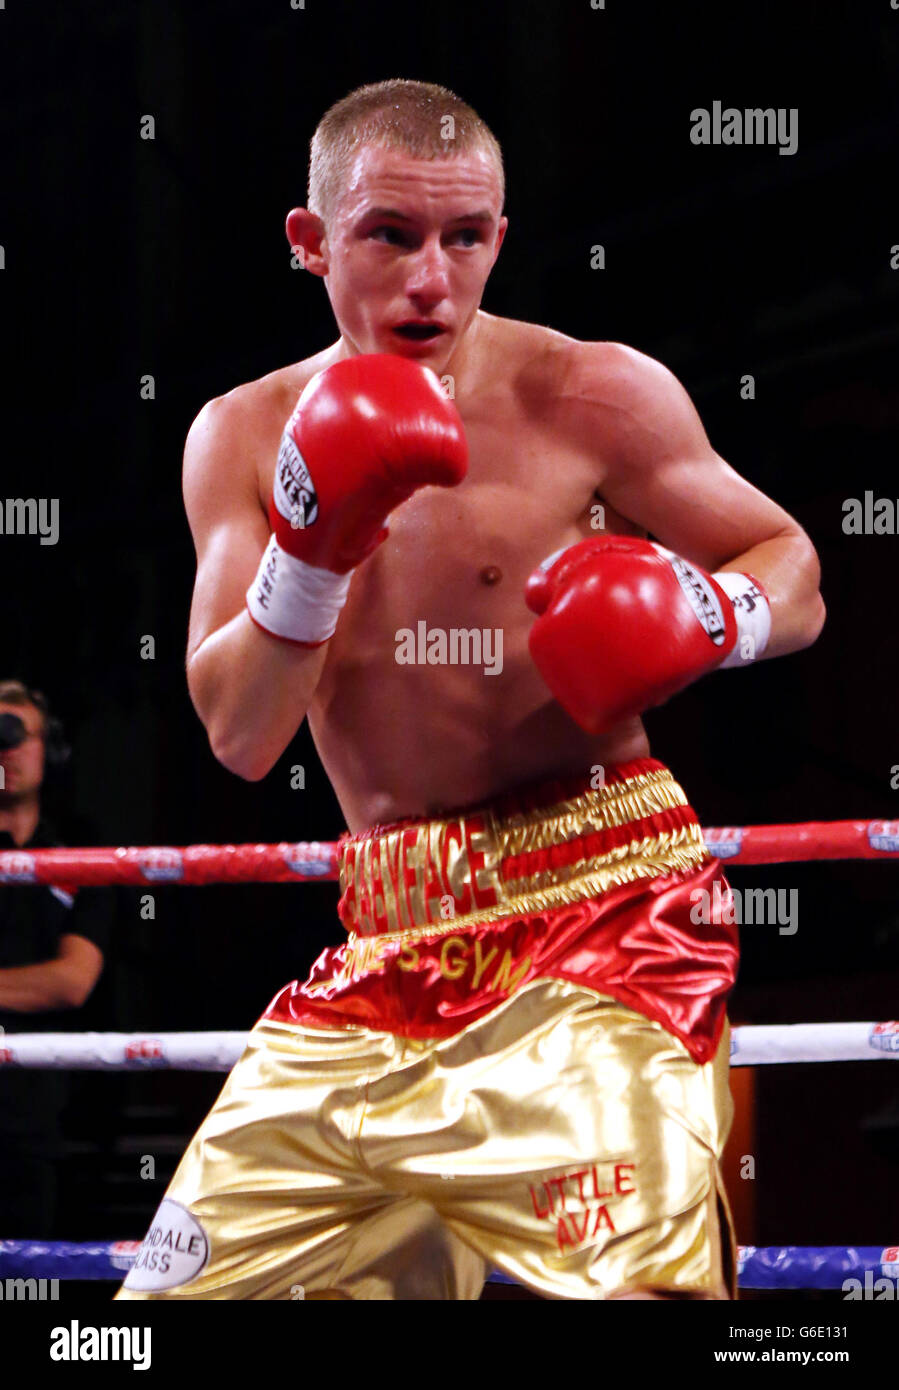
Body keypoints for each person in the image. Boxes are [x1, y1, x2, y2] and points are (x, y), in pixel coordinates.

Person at [117, 79, 824, 1301]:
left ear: (500, 235)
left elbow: (794, 570)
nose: (430, 280)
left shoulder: (591, 392)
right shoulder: (240, 435)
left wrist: (706, 615)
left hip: (603, 919)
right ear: (310, 242)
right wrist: (312, 545)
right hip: (385, 937)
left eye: (464, 237)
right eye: (388, 234)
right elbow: (239, 733)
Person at [0, 679, 109, 1239]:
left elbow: (72, 980)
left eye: (15, 732)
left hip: (35, 1122)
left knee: (30, 1281)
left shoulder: (81, 849)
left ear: (53, 748)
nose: (4, 747)